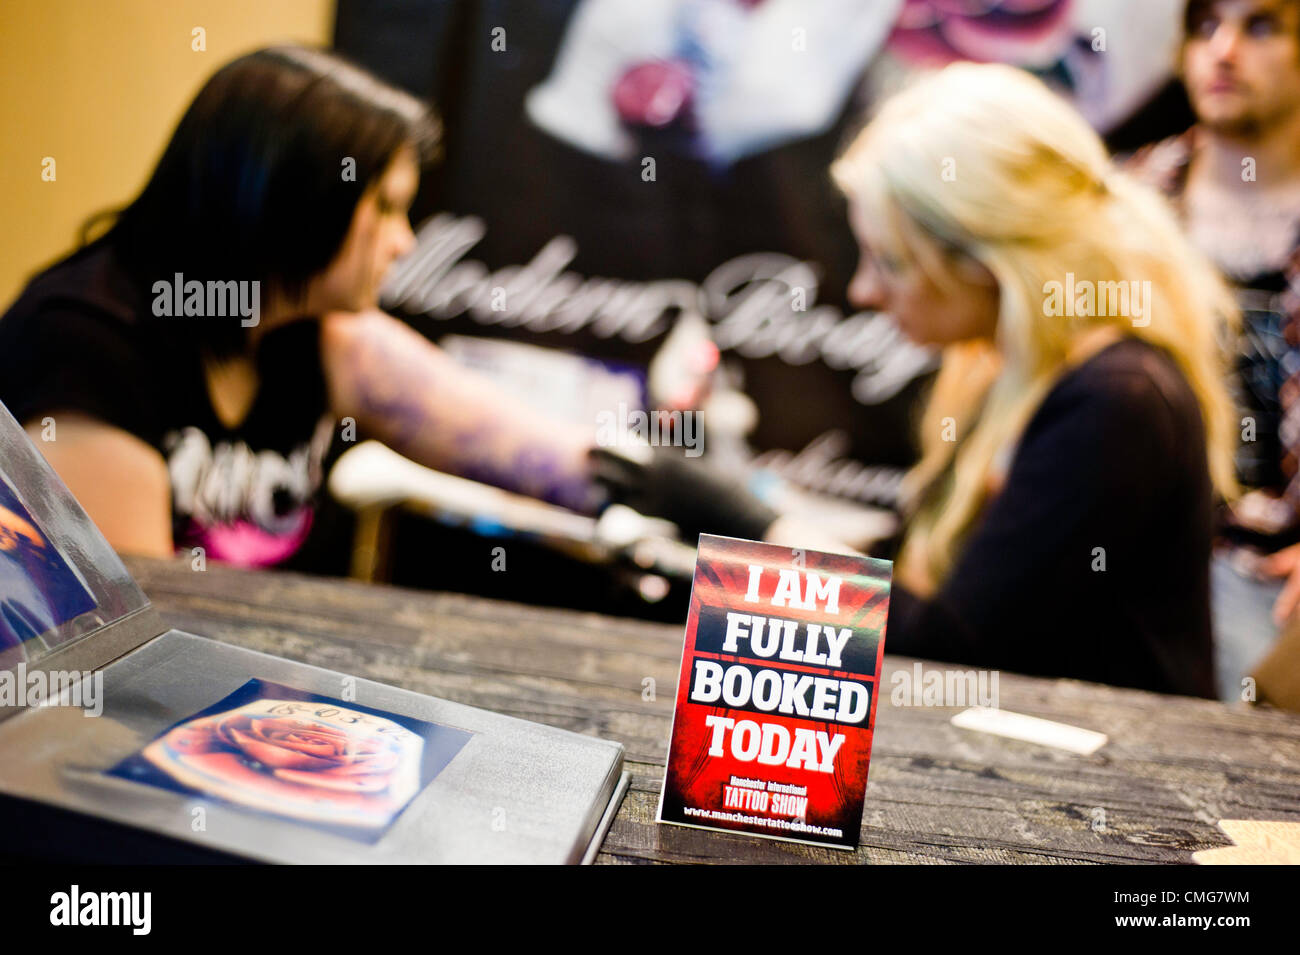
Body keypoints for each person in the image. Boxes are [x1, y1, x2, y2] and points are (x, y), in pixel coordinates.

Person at [0, 46, 781, 572]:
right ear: (294, 204)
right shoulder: (87, 345)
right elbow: (141, 648)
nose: (405, 242)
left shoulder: (316, 335)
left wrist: (770, 535)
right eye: (387, 209)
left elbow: (570, 463)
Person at [833, 62, 1240, 698]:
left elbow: (956, 648)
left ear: (987, 264)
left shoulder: (1117, 403)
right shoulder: (1006, 371)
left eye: (891, 261)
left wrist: (750, 541)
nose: (864, 291)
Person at [1125, 0, 1300, 700]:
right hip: (1128, 547)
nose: (1222, 51)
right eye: (1204, 27)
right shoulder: (1122, 205)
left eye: (1260, 26)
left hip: (1268, 572)